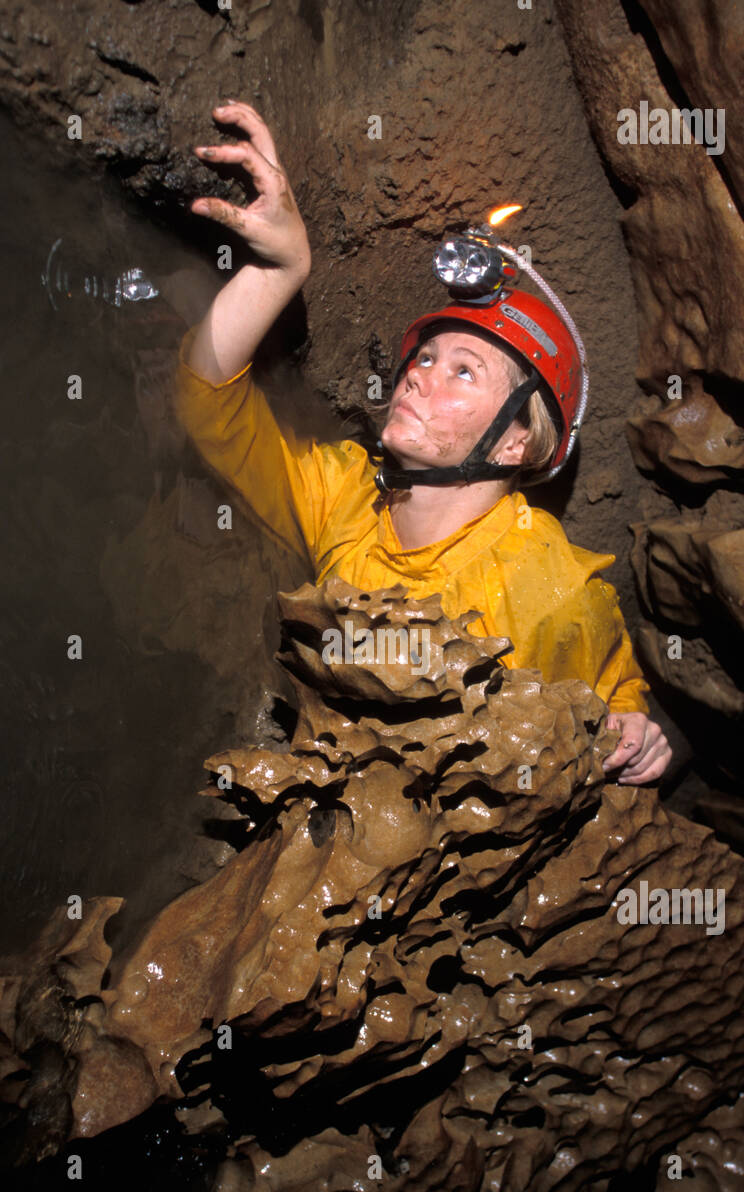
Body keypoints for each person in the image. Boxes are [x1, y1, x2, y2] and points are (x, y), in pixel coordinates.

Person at [176, 102, 671, 787]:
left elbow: (613, 712)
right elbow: (206, 398)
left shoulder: (548, 590)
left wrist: (638, 736)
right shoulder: (346, 497)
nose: (420, 375)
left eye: (463, 370)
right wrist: (279, 269)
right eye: (427, 357)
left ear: (516, 441)